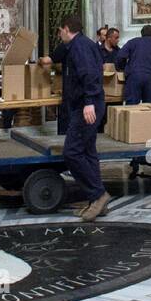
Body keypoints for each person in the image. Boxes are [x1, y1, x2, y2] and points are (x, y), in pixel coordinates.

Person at [44, 15, 108, 221]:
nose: (58, 35)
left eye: (60, 31)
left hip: (86, 105)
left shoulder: (80, 47)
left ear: (66, 29)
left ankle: (98, 195)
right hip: (86, 103)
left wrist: (89, 101)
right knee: (88, 151)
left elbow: (89, 74)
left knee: (72, 152)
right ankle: (97, 201)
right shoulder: (80, 45)